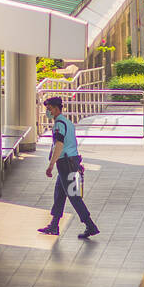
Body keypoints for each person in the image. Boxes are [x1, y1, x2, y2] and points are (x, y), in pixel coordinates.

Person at [39, 96, 99, 239]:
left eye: (50, 109)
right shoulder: (68, 123)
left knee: (74, 197)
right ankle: (54, 225)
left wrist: (51, 165)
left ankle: (90, 225)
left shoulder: (59, 124)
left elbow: (59, 145)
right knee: (59, 194)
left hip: (66, 164)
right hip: (71, 163)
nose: (48, 112)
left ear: (56, 108)